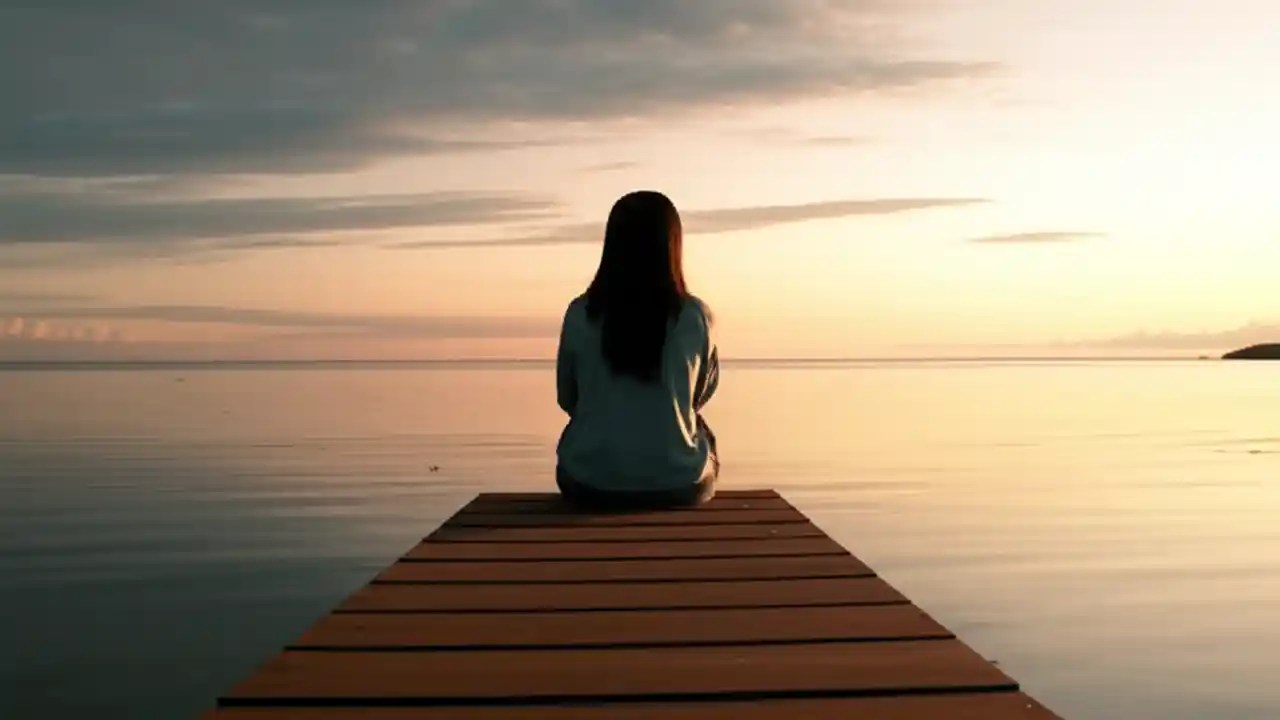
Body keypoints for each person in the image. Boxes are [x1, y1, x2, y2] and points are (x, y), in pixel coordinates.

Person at [555, 190, 719, 509]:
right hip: (679, 485)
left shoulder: (579, 313)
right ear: (672, 245)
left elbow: (567, 399)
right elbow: (698, 397)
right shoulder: (695, 316)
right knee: (702, 431)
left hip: (588, 484)